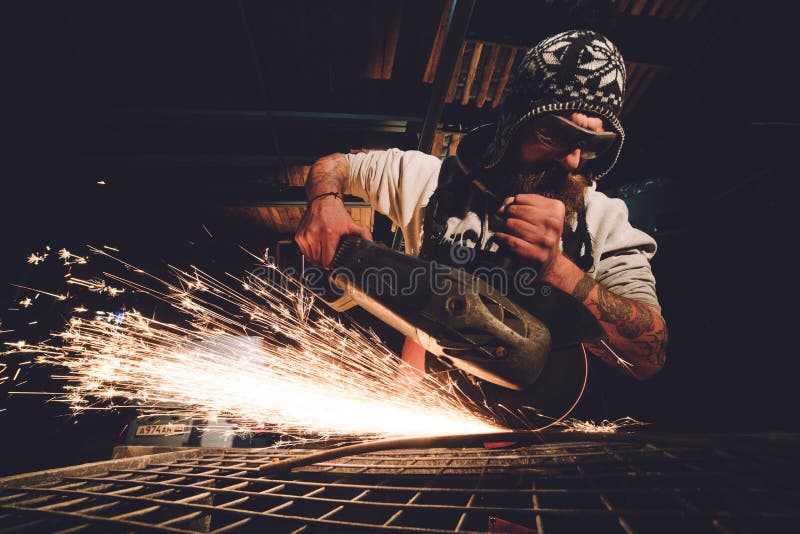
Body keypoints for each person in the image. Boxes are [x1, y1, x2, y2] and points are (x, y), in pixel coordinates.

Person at [295, 30, 666, 384]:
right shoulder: (431, 181)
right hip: (434, 406)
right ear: (514, 124)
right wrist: (325, 204)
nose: (572, 160)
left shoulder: (603, 221)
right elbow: (335, 165)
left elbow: (650, 356)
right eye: (553, 134)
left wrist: (559, 270)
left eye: (590, 145)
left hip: (538, 424)